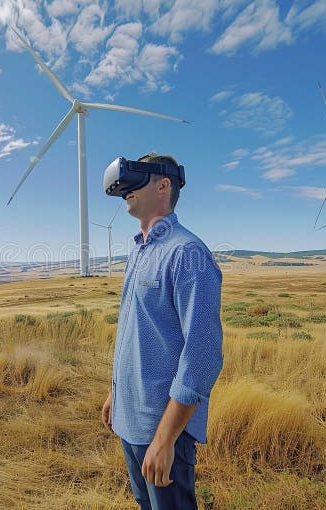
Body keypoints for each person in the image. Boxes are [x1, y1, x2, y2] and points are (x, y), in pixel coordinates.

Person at [100, 153, 223, 510]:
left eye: (137, 179)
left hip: (162, 426)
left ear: (163, 185)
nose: (127, 190)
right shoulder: (138, 252)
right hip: (131, 417)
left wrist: (165, 439)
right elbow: (138, 333)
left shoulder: (187, 254)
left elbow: (202, 355)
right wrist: (116, 393)